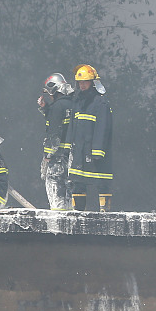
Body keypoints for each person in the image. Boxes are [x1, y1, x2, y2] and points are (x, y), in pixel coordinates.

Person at [68, 65, 114, 211]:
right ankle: (78, 213)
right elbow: (72, 127)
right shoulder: (77, 102)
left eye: (85, 82)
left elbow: (103, 128)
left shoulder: (100, 103)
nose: (82, 85)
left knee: (101, 181)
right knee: (78, 181)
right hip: (80, 151)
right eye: (80, 82)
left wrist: (98, 150)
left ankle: (104, 212)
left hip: (95, 152)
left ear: (93, 82)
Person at [39, 74, 76, 211]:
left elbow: (54, 135)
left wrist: (47, 155)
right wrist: (45, 109)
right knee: (69, 194)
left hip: (58, 158)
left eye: (49, 94)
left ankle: (58, 223)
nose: (49, 97)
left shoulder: (57, 107)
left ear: (55, 90)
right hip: (73, 158)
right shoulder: (74, 105)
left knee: (56, 191)